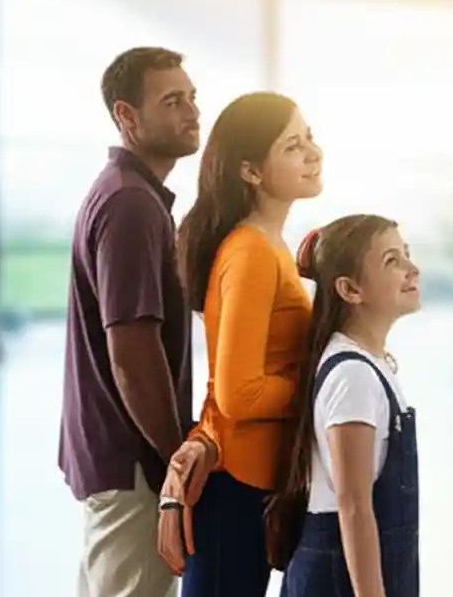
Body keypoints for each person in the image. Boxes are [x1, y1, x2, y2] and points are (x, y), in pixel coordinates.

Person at [60, 46, 216, 597]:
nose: (192, 111)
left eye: (192, 97)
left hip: (117, 457)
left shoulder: (131, 196)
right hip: (134, 463)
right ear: (127, 116)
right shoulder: (130, 206)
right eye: (172, 101)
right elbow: (132, 353)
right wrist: (179, 457)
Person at [156, 91, 324, 596]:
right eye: (293, 145)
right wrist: (317, 385)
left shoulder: (270, 246)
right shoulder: (250, 251)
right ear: (251, 171)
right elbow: (239, 392)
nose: (313, 153)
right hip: (235, 487)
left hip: (252, 481)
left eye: (310, 138)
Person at [273, 214, 422, 597]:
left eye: (406, 255)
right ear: (350, 289)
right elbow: (353, 505)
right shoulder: (352, 375)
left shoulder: (371, 363)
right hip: (337, 576)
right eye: (393, 261)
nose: (412, 269)